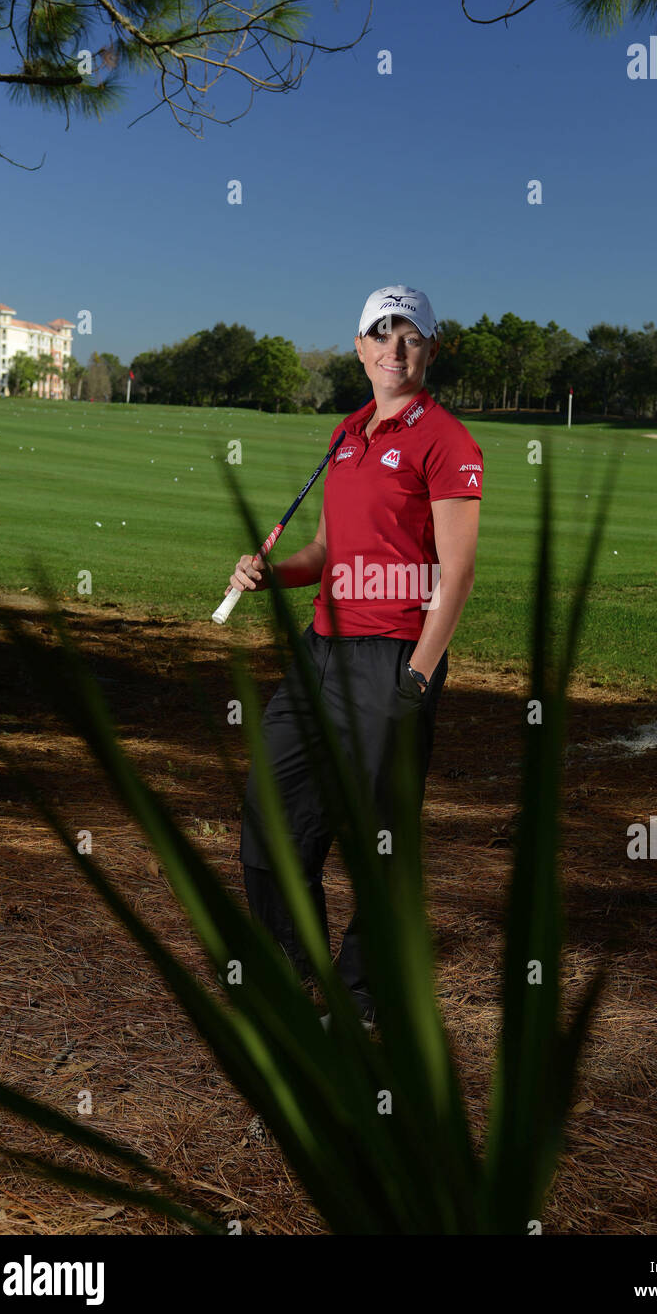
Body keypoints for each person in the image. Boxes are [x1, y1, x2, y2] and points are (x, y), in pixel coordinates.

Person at [226, 284, 483, 1027]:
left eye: (411, 336)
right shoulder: (347, 433)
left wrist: (419, 674)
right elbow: (329, 551)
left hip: (395, 655)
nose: (395, 350)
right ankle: (292, 965)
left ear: (430, 350)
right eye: (382, 335)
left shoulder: (447, 441)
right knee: (271, 808)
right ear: (361, 349)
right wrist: (274, 573)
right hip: (323, 652)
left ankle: (365, 993)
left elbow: (458, 572)